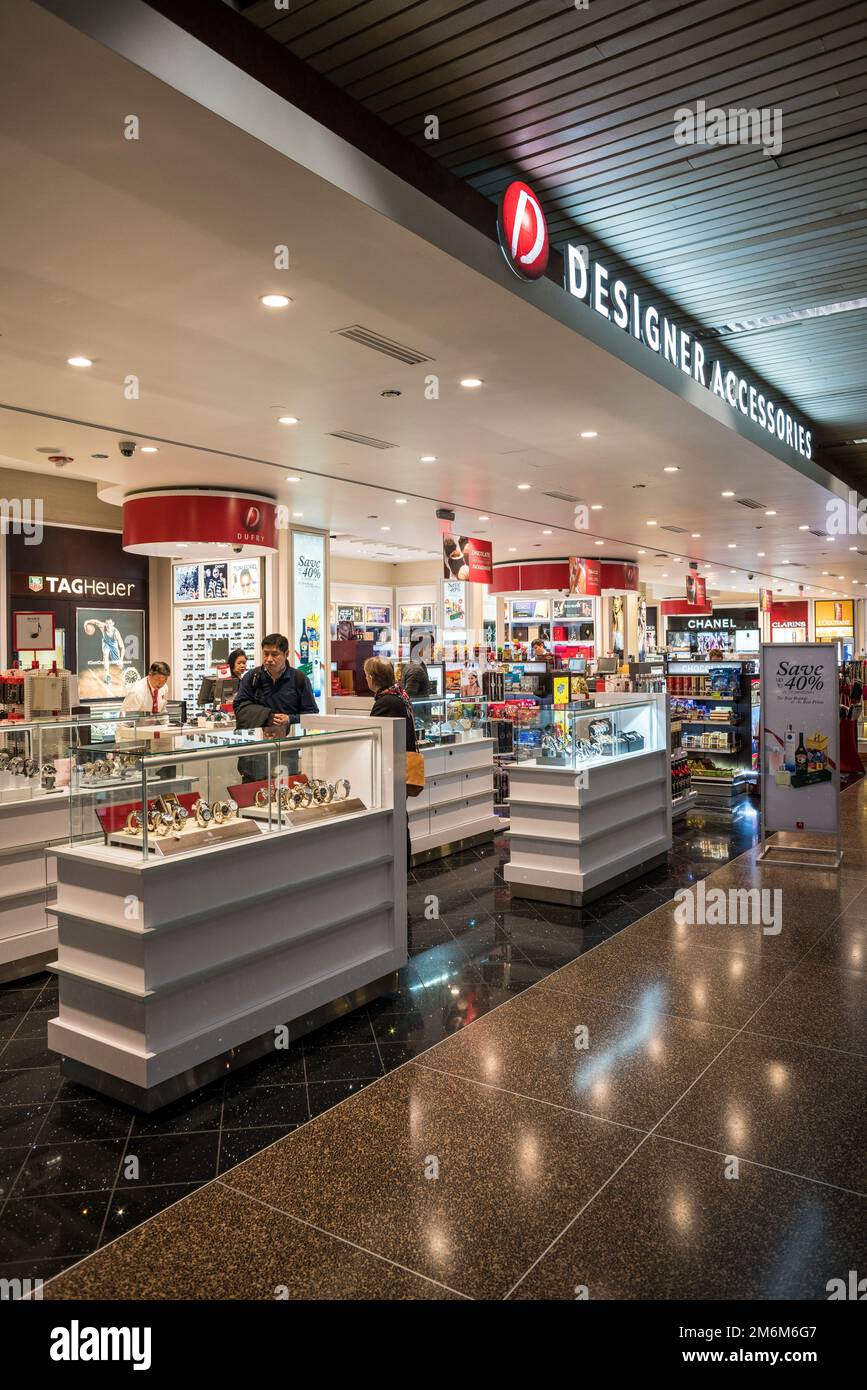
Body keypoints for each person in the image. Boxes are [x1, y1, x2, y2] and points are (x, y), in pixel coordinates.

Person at [234, 634, 318, 783]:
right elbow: (239, 708)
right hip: (255, 750)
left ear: (286, 654)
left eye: (274, 654)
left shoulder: (299, 679)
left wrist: (289, 719)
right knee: (252, 793)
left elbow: (311, 714)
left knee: (286, 792)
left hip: (286, 750)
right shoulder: (252, 677)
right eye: (266, 654)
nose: (269, 659)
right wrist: (267, 716)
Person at [364, 657, 418, 866]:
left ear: (372, 678)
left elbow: (375, 735)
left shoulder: (386, 702)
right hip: (401, 766)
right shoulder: (399, 695)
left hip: (392, 769)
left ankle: (399, 865)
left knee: (395, 818)